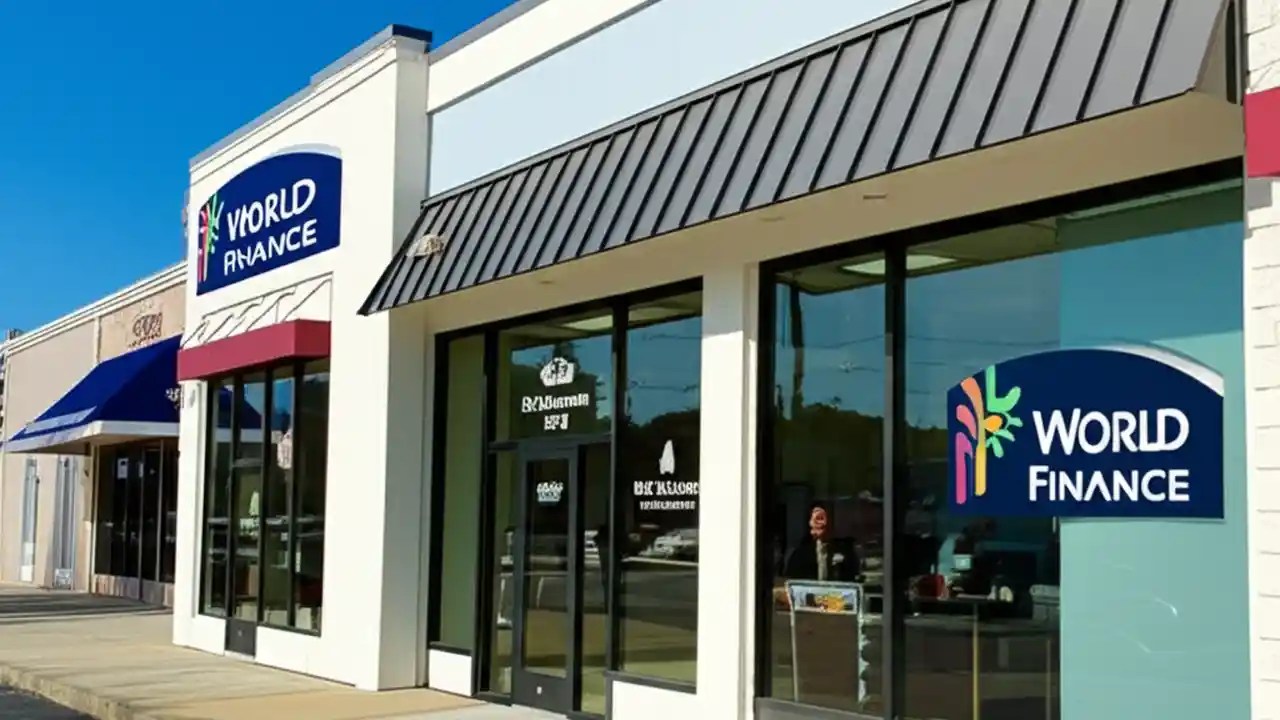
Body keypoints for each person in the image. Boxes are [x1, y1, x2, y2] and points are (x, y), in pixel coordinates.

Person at [784, 501, 859, 582]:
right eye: (818, 519)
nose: (823, 523)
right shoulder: (799, 554)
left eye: (827, 518)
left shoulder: (846, 552)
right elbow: (793, 583)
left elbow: (853, 580)